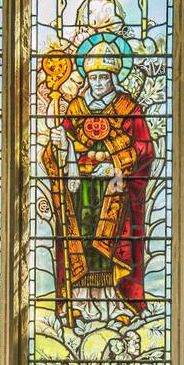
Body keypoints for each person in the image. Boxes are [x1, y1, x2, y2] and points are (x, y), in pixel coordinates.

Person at [42, 33, 153, 323]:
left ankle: (114, 302)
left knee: (110, 246)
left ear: (114, 77)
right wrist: (60, 143)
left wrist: (116, 165)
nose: (99, 83)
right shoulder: (75, 108)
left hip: (114, 191)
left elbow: (144, 149)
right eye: (94, 78)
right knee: (80, 243)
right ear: (87, 79)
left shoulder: (128, 108)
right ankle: (78, 300)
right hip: (81, 188)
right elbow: (57, 153)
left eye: (104, 77)